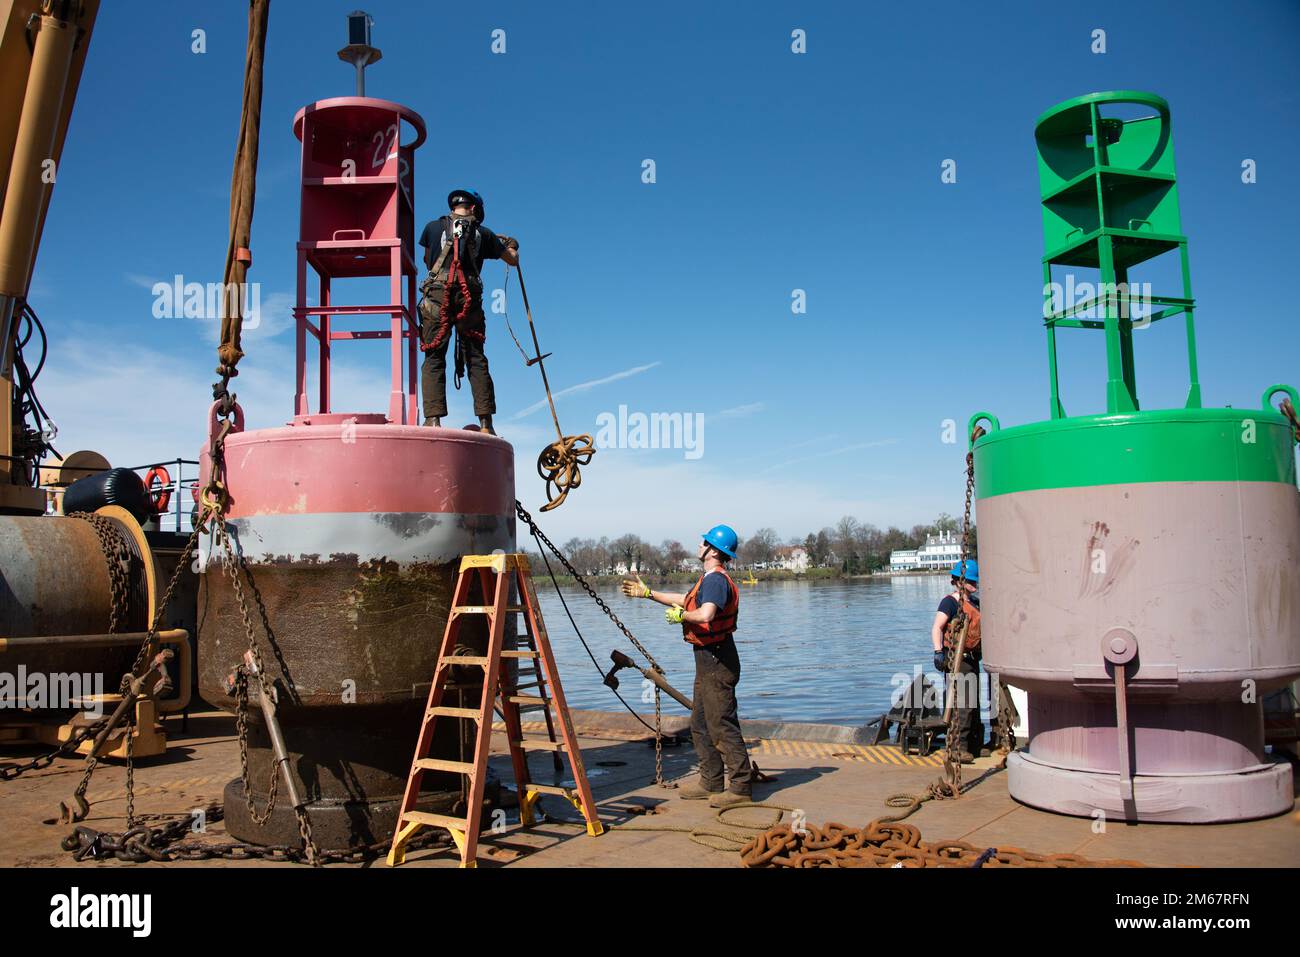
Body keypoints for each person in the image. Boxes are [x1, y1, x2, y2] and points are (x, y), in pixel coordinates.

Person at [621, 524, 755, 807]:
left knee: (721, 724)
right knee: (700, 723)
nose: (699, 545)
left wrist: (682, 615)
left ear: (713, 550)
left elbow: (705, 614)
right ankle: (711, 781)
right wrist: (648, 594)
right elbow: (685, 600)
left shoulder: (716, 581)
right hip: (708, 658)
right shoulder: (708, 579)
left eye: (704, 541)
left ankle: (741, 787)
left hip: (718, 659)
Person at [417, 188, 519, 434]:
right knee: (475, 357)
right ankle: (486, 424)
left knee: (433, 357)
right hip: (468, 298)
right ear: (474, 208)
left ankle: (433, 420)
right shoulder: (484, 234)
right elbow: (512, 260)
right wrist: (512, 245)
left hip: (436, 297)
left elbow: (426, 259)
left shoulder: (432, 227)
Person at [931, 558, 984, 762]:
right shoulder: (950, 602)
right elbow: (937, 627)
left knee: (973, 703)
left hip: (972, 658)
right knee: (962, 703)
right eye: (971, 580)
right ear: (959, 581)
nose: (975, 584)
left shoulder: (975, 602)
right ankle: (957, 747)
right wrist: (938, 652)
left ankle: (973, 744)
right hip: (957, 659)